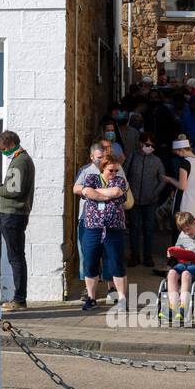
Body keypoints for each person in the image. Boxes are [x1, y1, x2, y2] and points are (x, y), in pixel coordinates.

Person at [0, 130, 35, 311]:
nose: (3, 153)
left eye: (4, 149)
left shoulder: (20, 162)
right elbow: (13, 187)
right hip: (16, 214)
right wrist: (1, 185)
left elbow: (14, 192)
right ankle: (19, 298)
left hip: (13, 214)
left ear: (11, 144)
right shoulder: (22, 159)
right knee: (17, 257)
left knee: (16, 258)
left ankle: (19, 300)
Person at [78, 154, 128, 312]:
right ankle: (91, 298)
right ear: (102, 168)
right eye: (111, 170)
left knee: (115, 262)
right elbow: (86, 191)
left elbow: (117, 192)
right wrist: (106, 195)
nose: (114, 173)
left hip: (114, 228)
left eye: (116, 170)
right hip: (93, 228)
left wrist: (97, 195)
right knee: (90, 262)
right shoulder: (91, 178)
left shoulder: (119, 180)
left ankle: (122, 299)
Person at [125, 132, 165, 268]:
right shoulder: (133, 157)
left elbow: (162, 179)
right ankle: (134, 256)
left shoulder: (157, 161)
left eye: (152, 145)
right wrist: (127, 192)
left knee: (148, 229)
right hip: (134, 199)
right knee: (134, 228)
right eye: (147, 144)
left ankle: (148, 256)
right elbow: (124, 174)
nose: (149, 147)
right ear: (141, 144)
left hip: (150, 201)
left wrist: (155, 192)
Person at [163, 135, 195, 220]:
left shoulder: (185, 163)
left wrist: (170, 179)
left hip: (185, 203)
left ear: (182, 150)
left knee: (182, 230)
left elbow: (182, 186)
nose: (178, 155)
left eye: (177, 152)